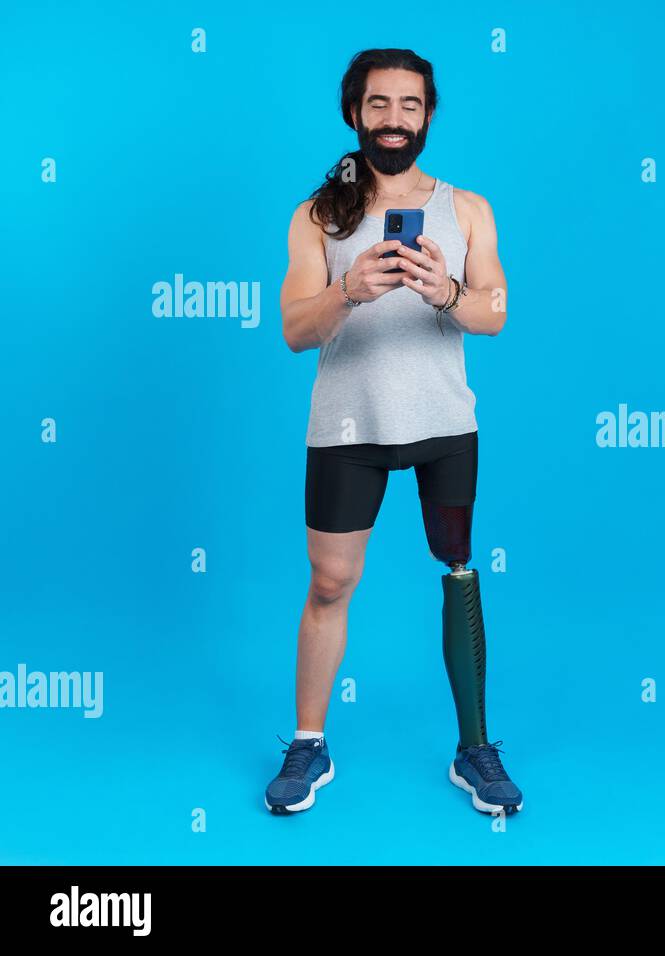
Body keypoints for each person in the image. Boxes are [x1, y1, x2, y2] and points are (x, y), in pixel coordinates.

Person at [264, 48, 522, 816]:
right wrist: (351, 288)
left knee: (458, 570)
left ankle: (474, 748)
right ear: (355, 114)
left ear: (428, 116)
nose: (395, 120)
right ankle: (308, 745)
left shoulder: (469, 209)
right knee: (332, 582)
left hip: (444, 424)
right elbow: (292, 329)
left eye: (410, 106)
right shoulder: (318, 214)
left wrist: (445, 291)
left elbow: (496, 310)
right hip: (349, 424)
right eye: (379, 105)